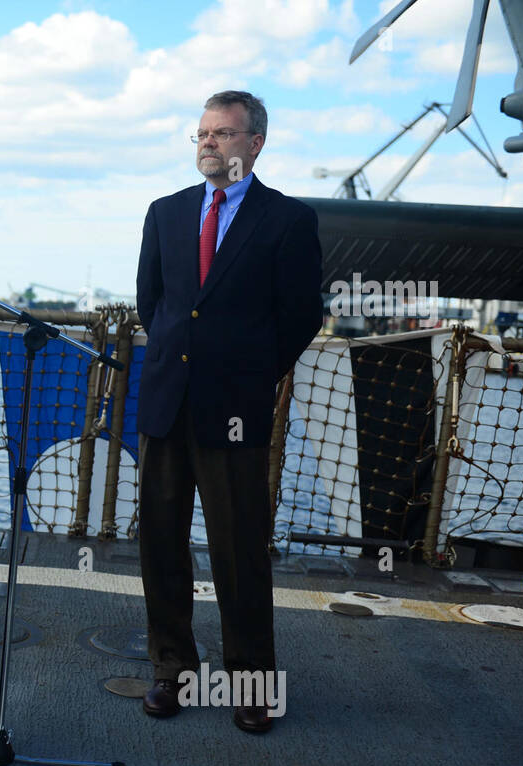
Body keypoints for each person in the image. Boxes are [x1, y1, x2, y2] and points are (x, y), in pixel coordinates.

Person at [135, 90, 323, 733]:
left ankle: (251, 682)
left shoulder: (288, 221)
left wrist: (250, 373)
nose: (208, 143)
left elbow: (301, 315)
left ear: (254, 144)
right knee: (160, 544)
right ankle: (172, 673)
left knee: (239, 550)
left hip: (235, 409)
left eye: (222, 133)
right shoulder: (165, 213)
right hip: (166, 403)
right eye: (202, 133)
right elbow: (152, 303)